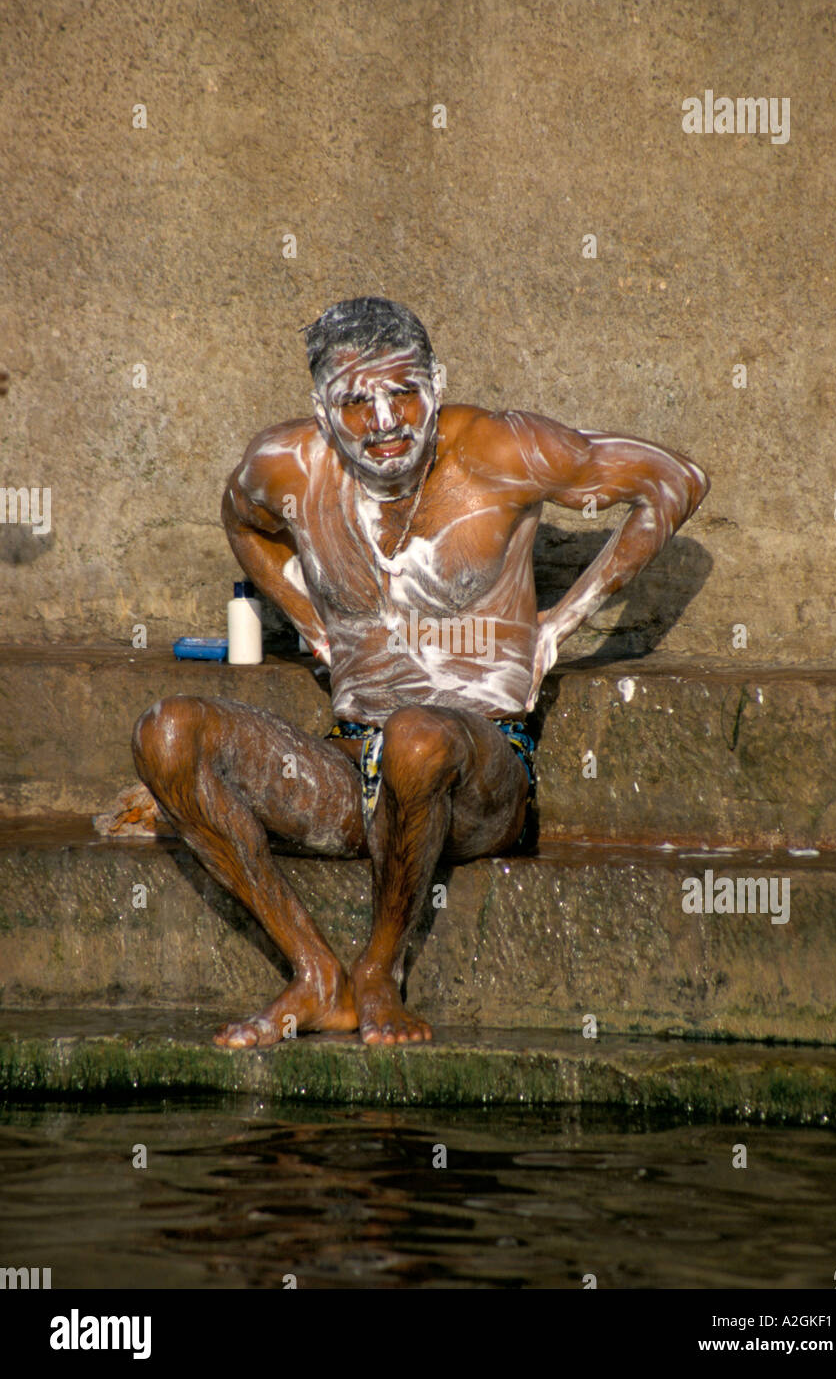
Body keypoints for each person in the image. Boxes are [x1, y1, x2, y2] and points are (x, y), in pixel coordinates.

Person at [131, 296, 708, 1047]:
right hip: (351, 760)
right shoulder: (286, 465)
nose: (384, 421)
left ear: (436, 383)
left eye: (403, 391)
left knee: (417, 736)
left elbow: (673, 479)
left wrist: (562, 624)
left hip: (477, 775)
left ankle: (379, 971)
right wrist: (307, 619)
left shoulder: (500, 448)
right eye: (355, 402)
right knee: (166, 733)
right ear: (321, 407)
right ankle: (316, 976)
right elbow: (240, 520)